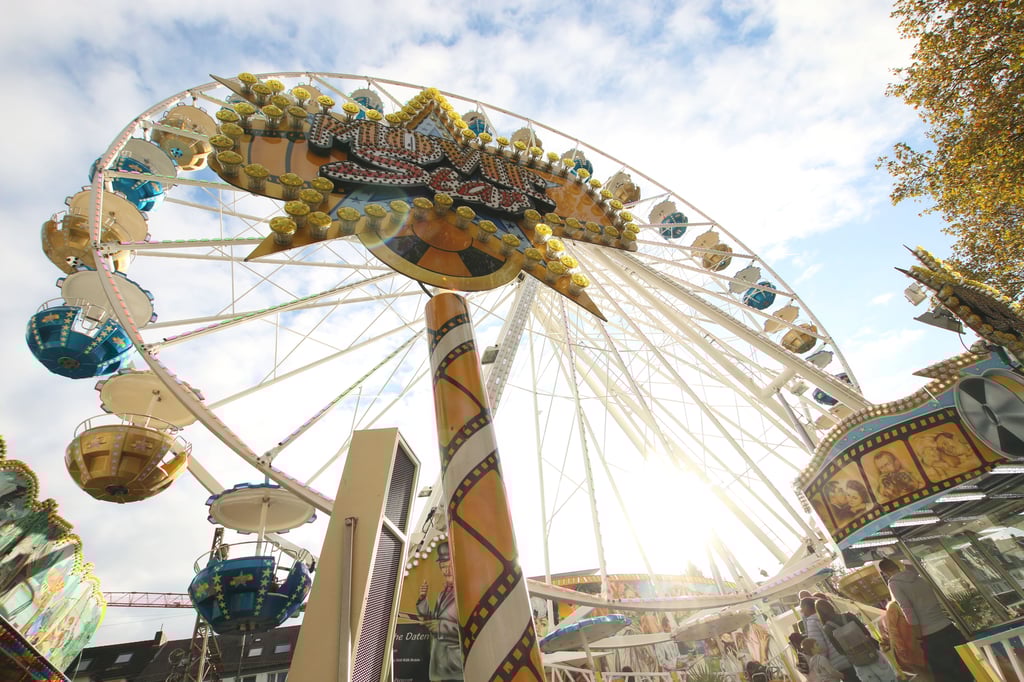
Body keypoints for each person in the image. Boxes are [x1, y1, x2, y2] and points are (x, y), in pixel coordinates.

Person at [877, 558, 972, 682]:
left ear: (885, 572)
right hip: (947, 626)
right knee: (967, 665)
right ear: (897, 565)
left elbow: (907, 610)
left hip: (930, 635)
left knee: (946, 673)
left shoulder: (894, 584)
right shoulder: (919, 578)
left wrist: (916, 635)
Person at [816, 599, 897, 682]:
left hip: (857, 660)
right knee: (888, 676)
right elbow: (866, 632)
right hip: (870, 652)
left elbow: (840, 650)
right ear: (830, 606)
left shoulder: (828, 629)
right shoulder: (849, 616)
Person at [416, 541, 462, 682]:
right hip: (439, 669)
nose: (446, 570)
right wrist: (423, 600)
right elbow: (432, 623)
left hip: (456, 670)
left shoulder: (466, 594)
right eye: (443, 566)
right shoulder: (442, 595)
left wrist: (441, 626)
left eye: (450, 565)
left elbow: (471, 629)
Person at [801, 597, 860, 682]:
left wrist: (824, 664)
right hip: (853, 654)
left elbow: (818, 645)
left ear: (807, 607)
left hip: (838, 661)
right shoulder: (827, 616)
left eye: (802, 608)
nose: (802, 612)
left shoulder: (812, 622)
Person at [879, 598, 932, 682]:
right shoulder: (893, 607)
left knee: (929, 671)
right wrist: (901, 649)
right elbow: (893, 631)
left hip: (919, 645)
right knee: (925, 672)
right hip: (910, 649)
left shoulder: (905, 603)